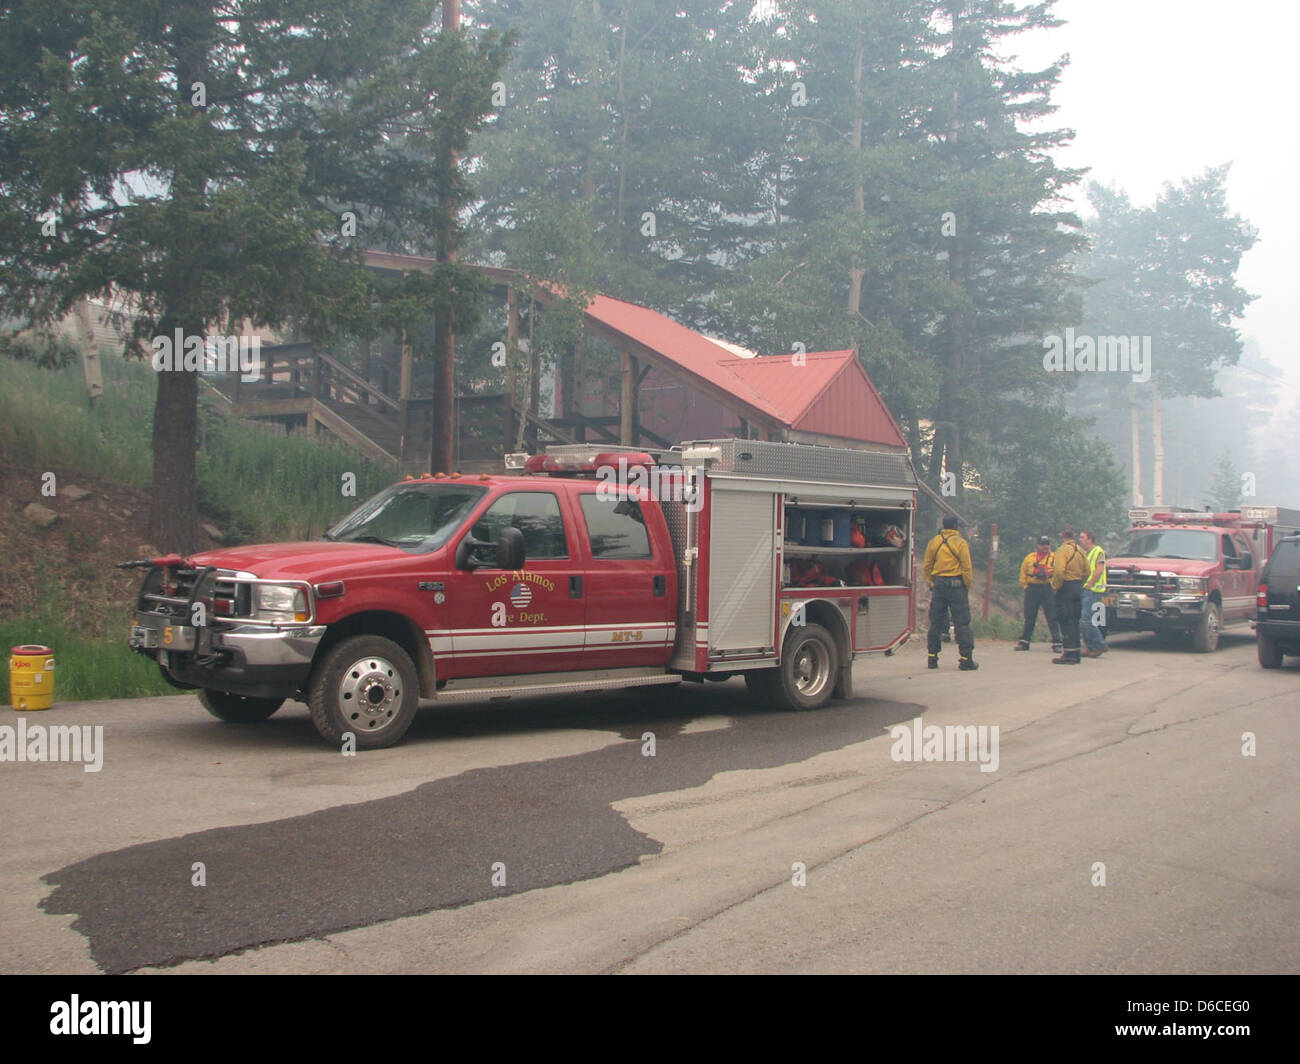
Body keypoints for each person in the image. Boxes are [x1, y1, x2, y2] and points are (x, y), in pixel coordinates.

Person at [923, 514, 977, 670]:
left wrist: (930, 581)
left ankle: (932, 659)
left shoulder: (935, 542)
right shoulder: (961, 543)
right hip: (957, 585)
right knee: (962, 623)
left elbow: (927, 564)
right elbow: (966, 567)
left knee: (936, 622)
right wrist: (967, 585)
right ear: (956, 527)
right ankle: (966, 659)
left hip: (939, 585)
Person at [1015, 535, 1062, 652]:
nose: (1045, 546)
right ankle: (1024, 642)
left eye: (1047, 544)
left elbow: (1059, 573)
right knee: (1029, 616)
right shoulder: (1030, 558)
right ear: (1038, 545)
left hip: (1047, 588)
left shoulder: (1055, 558)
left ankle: (1057, 643)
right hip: (1032, 589)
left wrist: (1055, 587)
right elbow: (1023, 573)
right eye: (1042, 544)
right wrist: (1026, 586)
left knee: (1052, 616)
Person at [1051, 526, 1089, 664]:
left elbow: (1059, 571)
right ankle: (1076, 652)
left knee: (1065, 620)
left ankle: (1068, 654)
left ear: (1062, 535)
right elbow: (1087, 571)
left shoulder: (1062, 550)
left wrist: (1056, 587)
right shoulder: (1081, 551)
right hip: (1077, 586)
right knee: (1074, 620)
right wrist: (1080, 583)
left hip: (1066, 587)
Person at [1079, 530, 1108, 657]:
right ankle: (1091, 648)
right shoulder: (1085, 553)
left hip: (1094, 589)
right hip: (1086, 588)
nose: (1080, 539)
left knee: (1087, 619)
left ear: (1090, 539)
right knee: (1085, 619)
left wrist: (1090, 583)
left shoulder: (1098, 551)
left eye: (1082, 537)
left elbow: (1099, 569)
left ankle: (1100, 645)